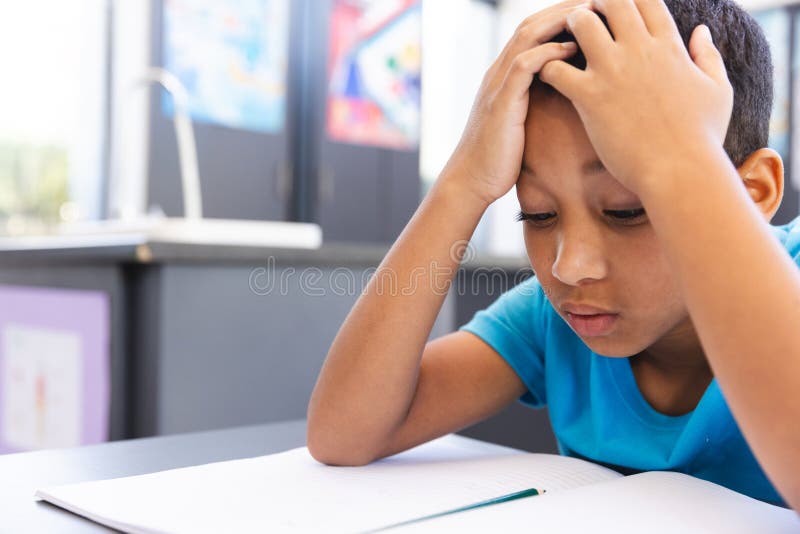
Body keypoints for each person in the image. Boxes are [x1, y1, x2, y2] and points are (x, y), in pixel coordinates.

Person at [307, 0, 800, 510]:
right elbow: (344, 433)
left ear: (755, 192)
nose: (570, 266)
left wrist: (680, 160)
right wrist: (463, 182)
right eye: (538, 214)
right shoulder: (555, 320)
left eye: (626, 210)